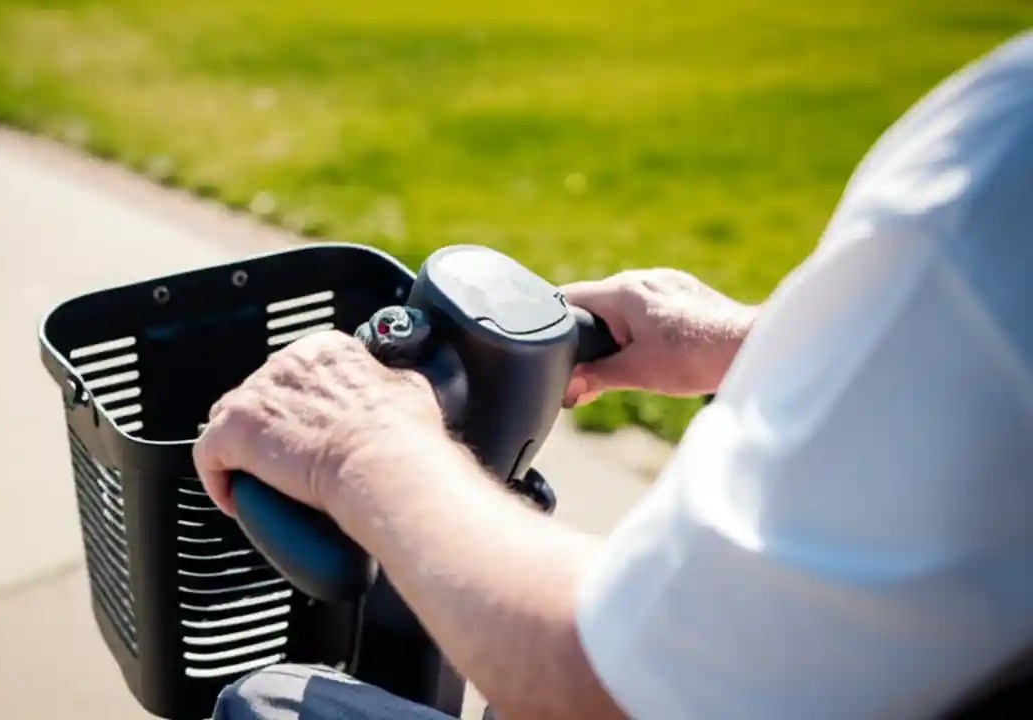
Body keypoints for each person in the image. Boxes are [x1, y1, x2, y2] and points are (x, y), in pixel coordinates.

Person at [195, 32, 1033, 720]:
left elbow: (600, 684)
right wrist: (750, 339)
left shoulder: (1000, 163)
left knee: (269, 704)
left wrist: (361, 445)